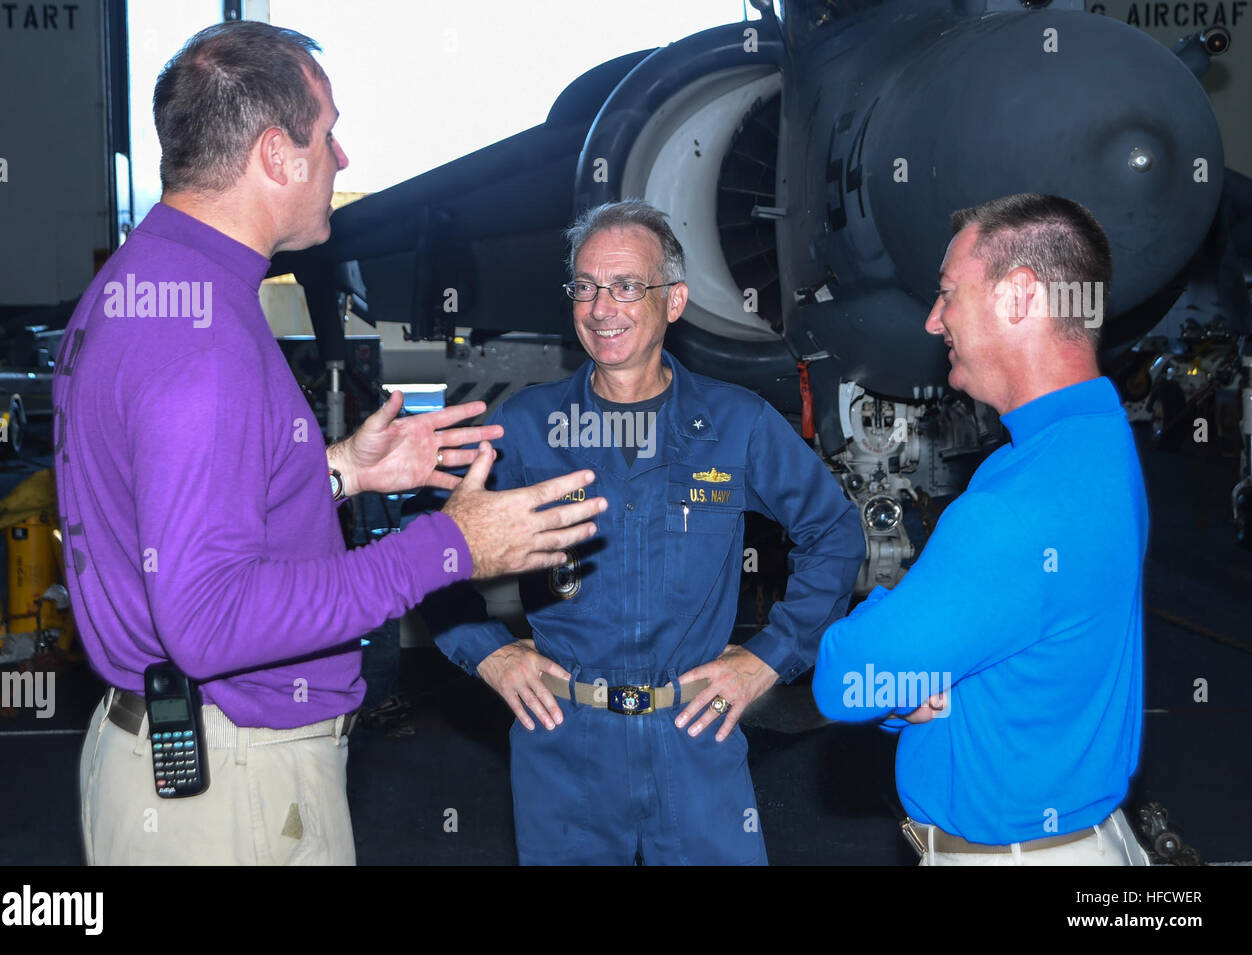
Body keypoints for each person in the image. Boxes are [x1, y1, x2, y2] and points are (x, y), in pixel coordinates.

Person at [52, 20, 604, 865]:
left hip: (188, 768)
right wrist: (451, 545)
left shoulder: (154, 282)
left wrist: (341, 469)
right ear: (276, 154)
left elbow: (168, 500)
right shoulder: (202, 341)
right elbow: (209, 619)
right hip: (231, 797)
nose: (341, 159)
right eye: (329, 132)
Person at [424, 199, 865, 865]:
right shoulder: (526, 426)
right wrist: (487, 649)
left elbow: (834, 531)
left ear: (676, 300)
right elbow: (431, 544)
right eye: (586, 287)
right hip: (564, 743)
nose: (602, 308)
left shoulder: (736, 422)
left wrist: (770, 656)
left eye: (627, 286)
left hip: (695, 738)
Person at [813, 193, 1151, 866]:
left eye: (947, 294)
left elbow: (846, 675)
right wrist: (920, 663)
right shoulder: (1099, 437)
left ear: (1019, 295)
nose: (935, 319)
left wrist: (898, 628)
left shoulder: (1013, 507)